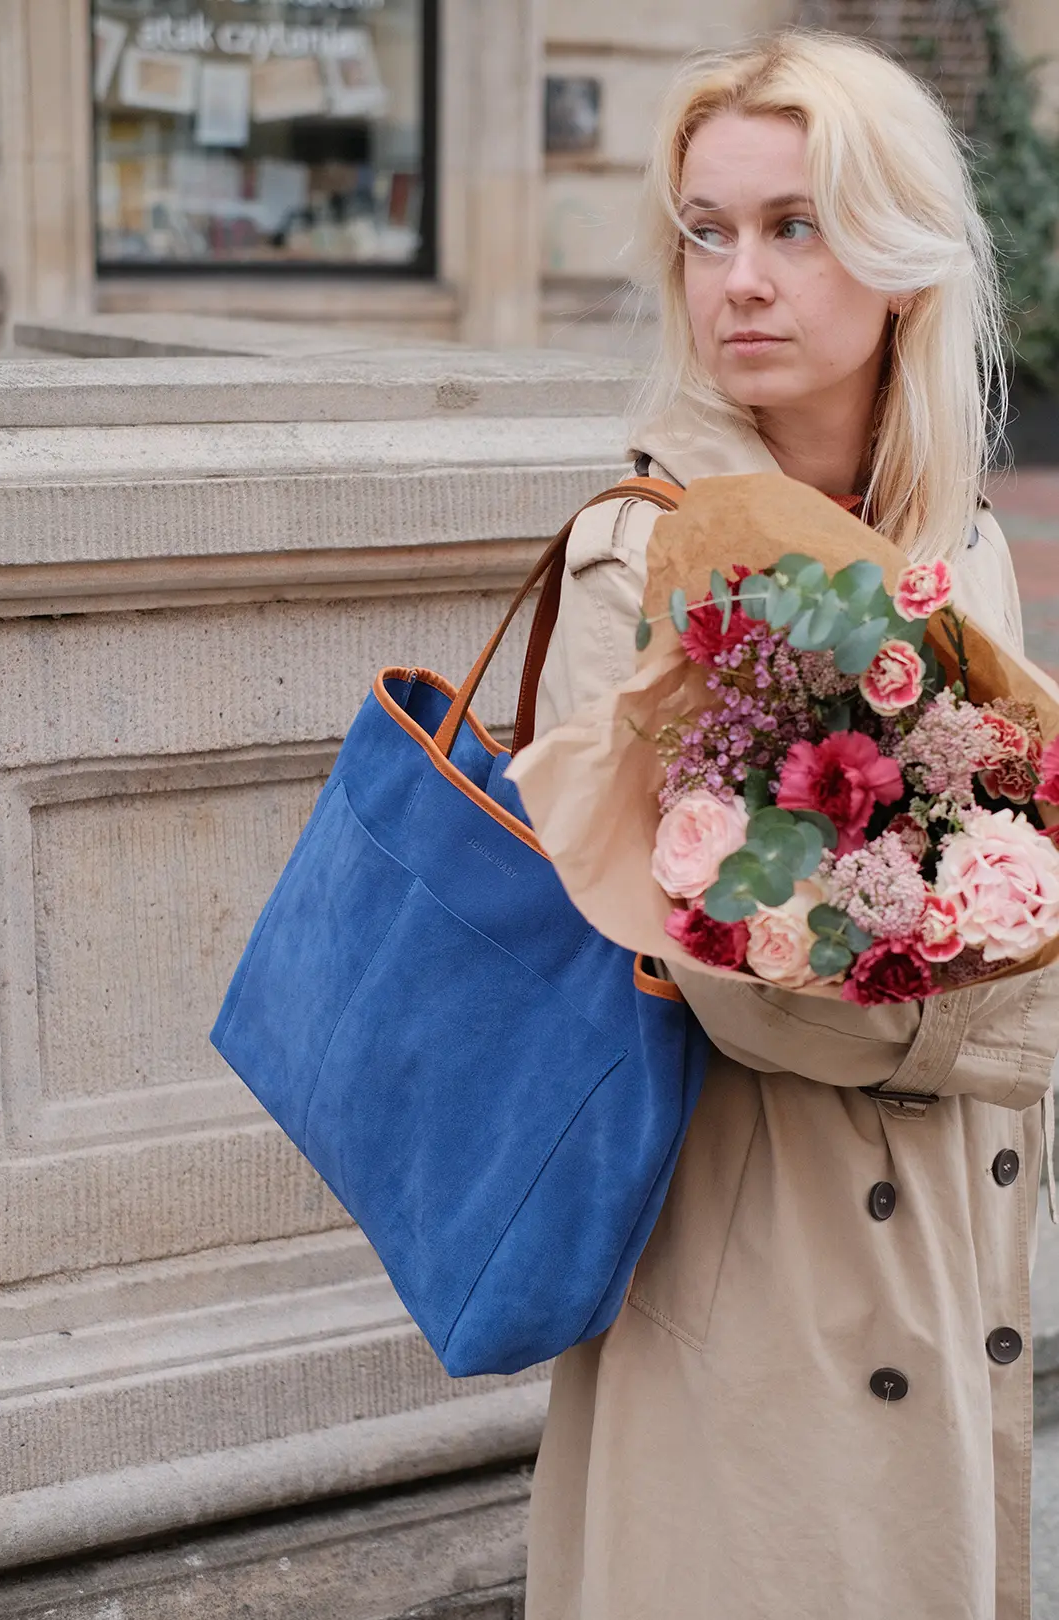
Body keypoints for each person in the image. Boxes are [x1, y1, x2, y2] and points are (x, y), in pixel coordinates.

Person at [528, 31, 1059, 1620]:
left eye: (795, 225)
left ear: (899, 262)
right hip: (755, 1277)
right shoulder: (653, 555)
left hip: (950, 1256)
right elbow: (751, 977)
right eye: (709, 231)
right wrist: (1018, 1012)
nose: (739, 278)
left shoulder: (962, 542)